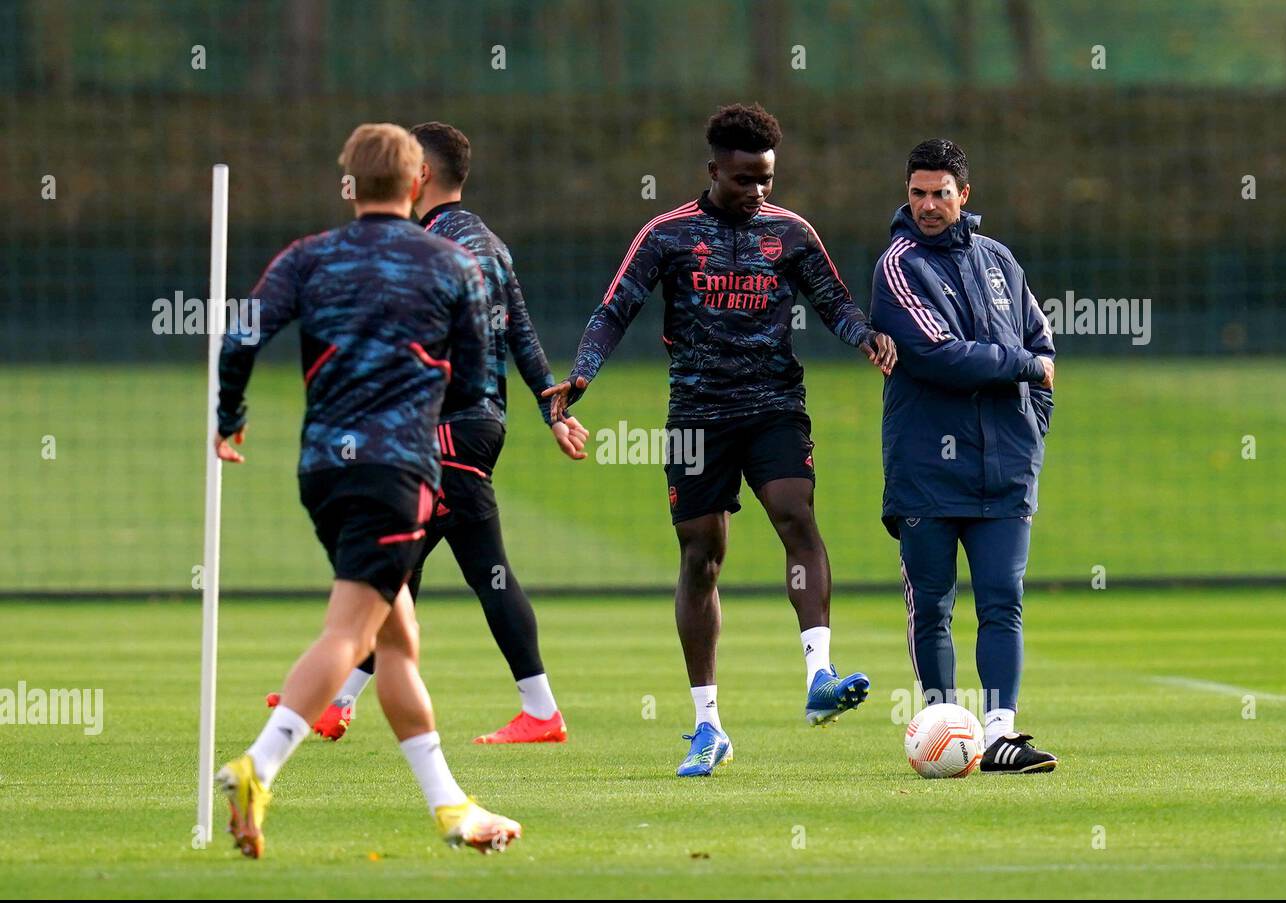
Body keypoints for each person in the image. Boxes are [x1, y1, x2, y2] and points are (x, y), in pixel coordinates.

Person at [545, 103, 897, 778]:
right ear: (714, 171)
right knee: (702, 556)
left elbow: (834, 300)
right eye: (743, 179)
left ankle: (819, 674)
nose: (756, 190)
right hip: (696, 415)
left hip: (775, 407)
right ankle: (708, 726)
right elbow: (614, 307)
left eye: (765, 177)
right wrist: (581, 375)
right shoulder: (667, 234)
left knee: (796, 515)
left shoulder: (791, 233)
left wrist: (865, 338)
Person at [215, 123, 522, 858]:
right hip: (398, 471)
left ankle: (451, 809)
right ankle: (259, 765)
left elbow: (241, 336)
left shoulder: (307, 257)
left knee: (398, 641)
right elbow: (480, 382)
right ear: (417, 184)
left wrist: (230, 420)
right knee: (350, 630)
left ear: (348, 185)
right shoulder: (455, 265)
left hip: (322, 469)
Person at [275, 121, 588, 745]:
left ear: (418, 174)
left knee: (476, 565)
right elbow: (520, 336)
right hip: (474, 425)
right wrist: (552, 407)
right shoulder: (488, 243)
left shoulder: (437, 251)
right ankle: (338, 700)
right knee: (401, 561)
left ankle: (542, 711)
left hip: (446, 427)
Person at [869, 138, 1058, 773]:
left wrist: (1032, 431)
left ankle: (1001, 734)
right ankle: (944, 725)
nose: (927, 204)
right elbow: (941, 356)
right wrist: (1025, 367)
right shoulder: (898, 265)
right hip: (927, 467)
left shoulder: (1000, 259)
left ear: (964, 195)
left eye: (939, 193)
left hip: (1004, 466)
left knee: (1003, 599)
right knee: (935, 605)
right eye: (917, 192)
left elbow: (1042, 342)